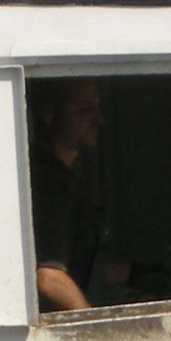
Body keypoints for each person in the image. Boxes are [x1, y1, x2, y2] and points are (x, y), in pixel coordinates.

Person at [29, 79, 104, 311]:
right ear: (48, 113)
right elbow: (49, 278)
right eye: (85, 109)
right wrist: (96, 329)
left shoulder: (64, 178)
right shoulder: (48, 181)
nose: (98, 120)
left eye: (97, 109)